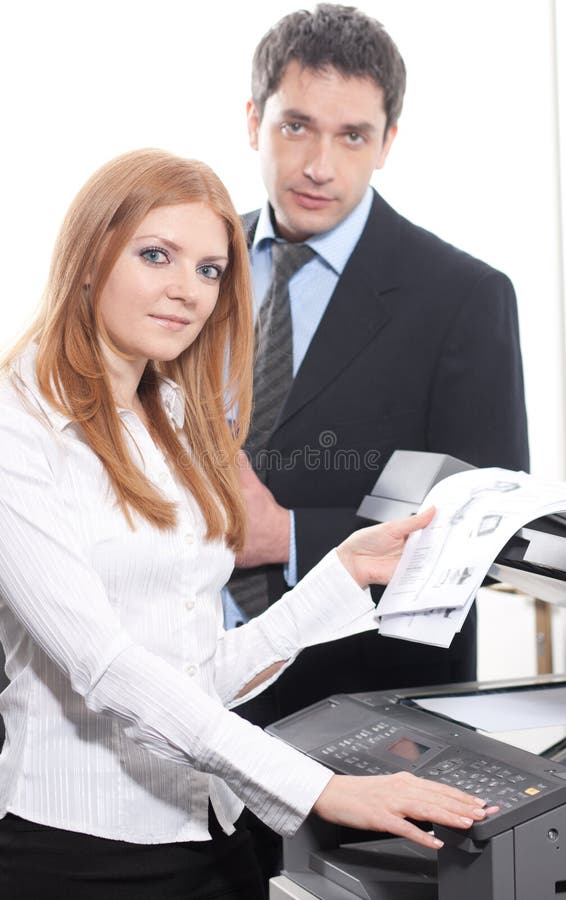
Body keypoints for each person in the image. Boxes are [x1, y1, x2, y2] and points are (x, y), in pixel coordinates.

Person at [0, 149, 496, 900]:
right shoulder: (18, 426)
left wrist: (342, 574)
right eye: (157, 255)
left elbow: (196, 675)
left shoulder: (169, 414)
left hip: (212, 829)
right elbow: (104, 667)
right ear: (90, 257)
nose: (187, 291)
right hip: (80, 852)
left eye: (209, 270)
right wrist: (318, 790)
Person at [226, 3, 530, 720]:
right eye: (295, 125)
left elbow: (486, 528)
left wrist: (288, 537)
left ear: (388, 141)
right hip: (175, 698)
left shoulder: (463, 298)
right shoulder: (194, 269)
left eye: (352, 135)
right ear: (252, 121)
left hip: (362, 705)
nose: (318, 166)